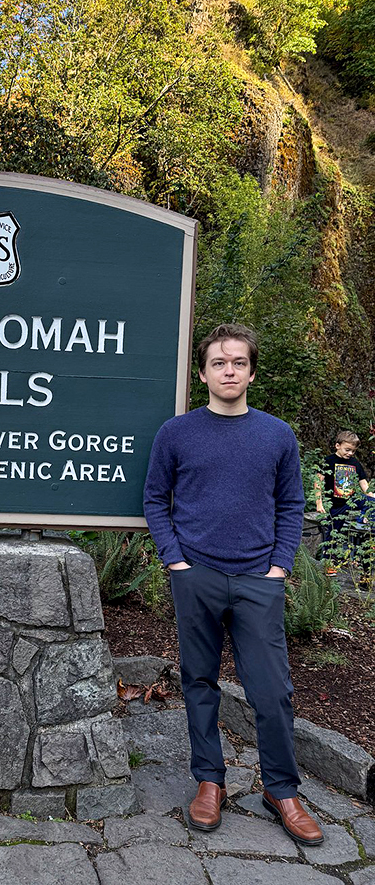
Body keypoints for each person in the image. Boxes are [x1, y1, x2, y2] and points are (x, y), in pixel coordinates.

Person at [143, 323, 323, 846]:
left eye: (238, 363)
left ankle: (281, 790)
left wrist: (279, 568)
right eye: (219, 363)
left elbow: (291, 505)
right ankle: (209, 781)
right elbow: (156, 500)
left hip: (257, 581)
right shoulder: (176, 433)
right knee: (199, 682)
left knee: (272, 692)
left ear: (250, 371)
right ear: (202, 373)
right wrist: (175, 562)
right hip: (195, 576)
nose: (229, 371)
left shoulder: (276, 435)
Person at [314, 431, 374, 569]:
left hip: (351, 501)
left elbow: (364, 484)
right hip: (334, 505)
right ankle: (328, 564)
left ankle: (364, 519)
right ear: (337, 445)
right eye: (347, 450)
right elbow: (318, 482)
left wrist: (371, 495)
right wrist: (319, 503)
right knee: (332, 534)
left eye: (353, 451)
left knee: (371, 502)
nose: (350, 453)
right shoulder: (328, 461)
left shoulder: (355, 463)